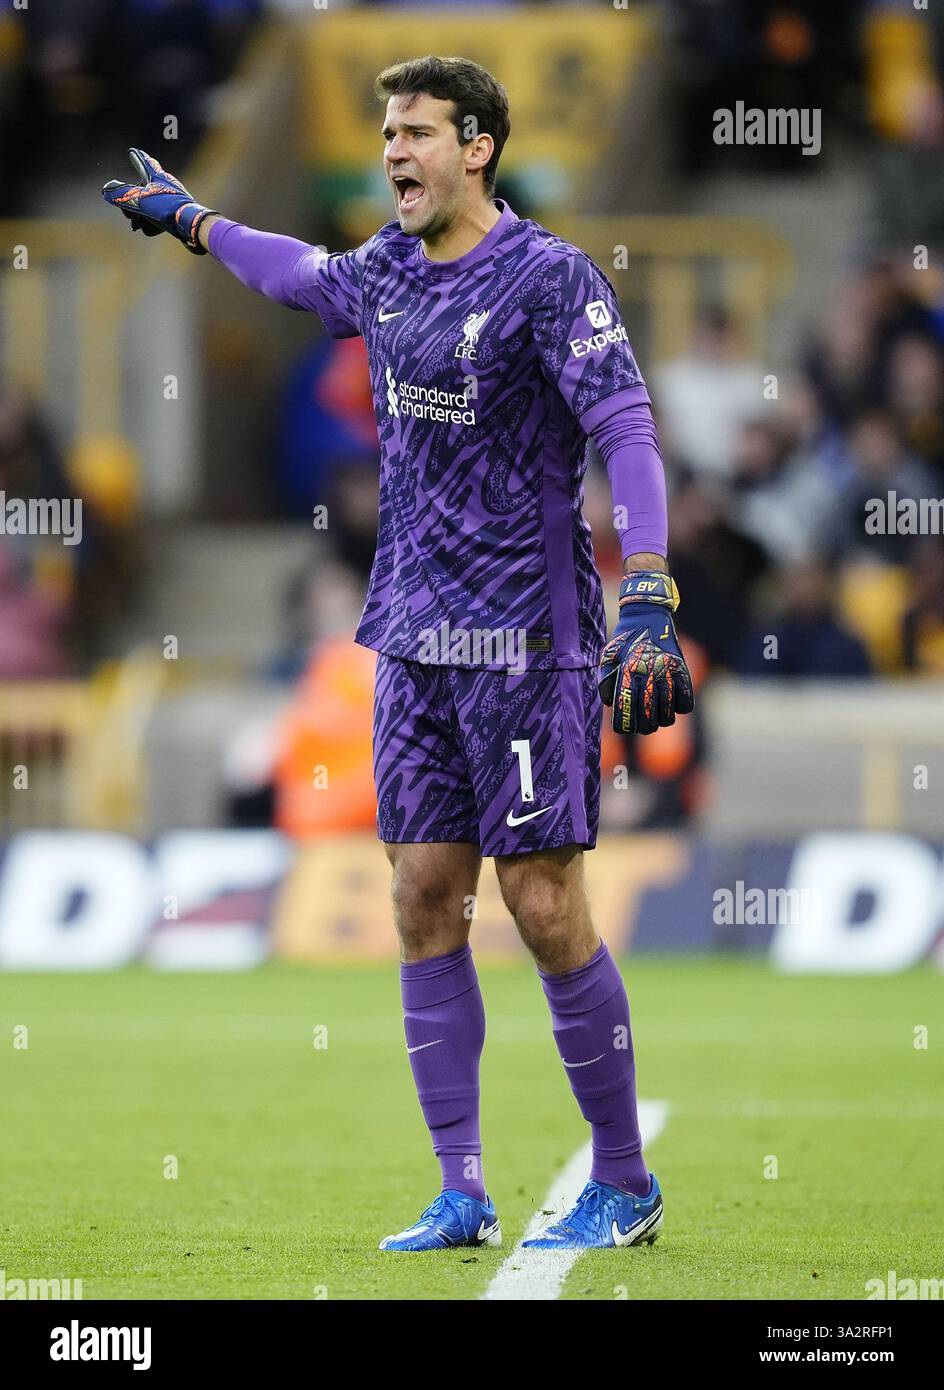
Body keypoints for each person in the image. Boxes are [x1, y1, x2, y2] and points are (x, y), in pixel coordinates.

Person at [103, 54, 694, 1253]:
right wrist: (198, 222)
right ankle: (461, 1189)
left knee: (540, 903)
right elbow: (298, 275)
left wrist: (650, 588)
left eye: (415, 133)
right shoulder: (384, 272)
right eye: (386, 134)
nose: (392, 154)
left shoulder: (548, 277)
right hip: (410, 638)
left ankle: (623, 1181)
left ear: (475, 146)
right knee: (423, 900)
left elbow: (624, 430)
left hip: (526, 639)